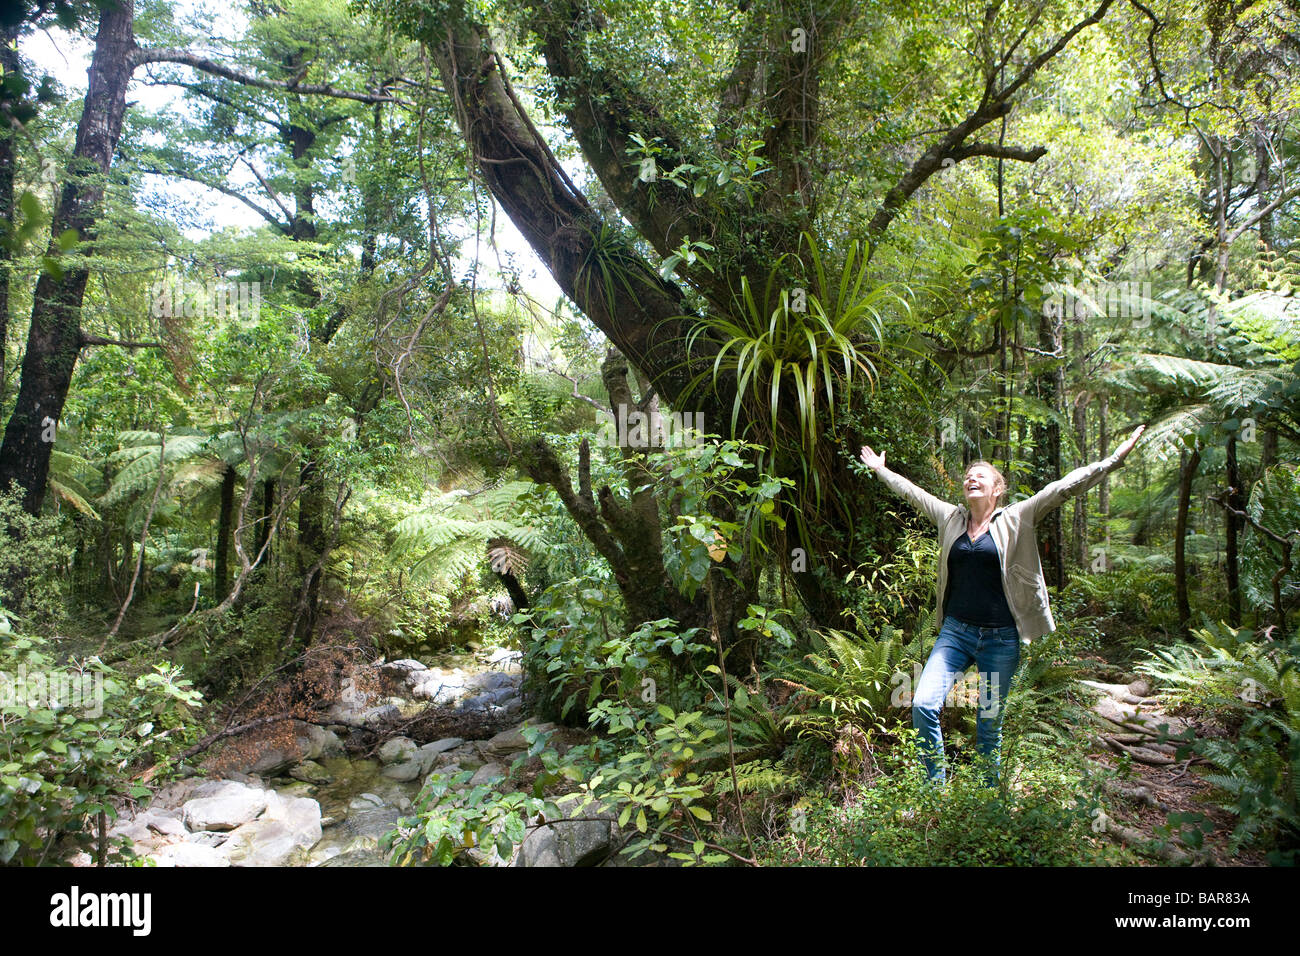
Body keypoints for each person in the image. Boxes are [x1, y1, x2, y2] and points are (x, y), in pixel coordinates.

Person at [859, 425, 1145, 786]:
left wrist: (1112, 461)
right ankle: (935, 791)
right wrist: (882, 471)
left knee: (988, 726)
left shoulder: (1018, 517)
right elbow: (914, 494)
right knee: (922, 704)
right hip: (955, 634)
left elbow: (1062, 488)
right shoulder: (950, 518)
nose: (971, 479)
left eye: (980, 476)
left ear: (996, 489)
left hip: (1001, 640)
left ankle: (987, 800)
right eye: (967, 476)